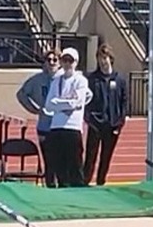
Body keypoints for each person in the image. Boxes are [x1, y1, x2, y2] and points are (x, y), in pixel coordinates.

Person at [40, 47, 91, 187]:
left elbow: (78, 102)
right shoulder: (56, 81)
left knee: (75, 167)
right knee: (59, 167)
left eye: (70, 60)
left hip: (73, 128)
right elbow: (49, 104)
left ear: (76, 62)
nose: (67, 63)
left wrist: (60, 103)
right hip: (56, 127)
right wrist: (66, 103)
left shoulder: (81, 81)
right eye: (64, 60)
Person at [83, 45, 128, 186]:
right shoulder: (92, 79)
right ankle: (85, 181)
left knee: (106, 157)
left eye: (105, 58)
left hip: (112, 125)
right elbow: (86, 101)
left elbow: (124, 102)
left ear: (110, 59)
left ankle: (101, 181)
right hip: (95, 124)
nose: (103, 61)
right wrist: (89, 118)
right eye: (100, 58)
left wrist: (119, 123)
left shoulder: (119, 80)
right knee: (91, 156)